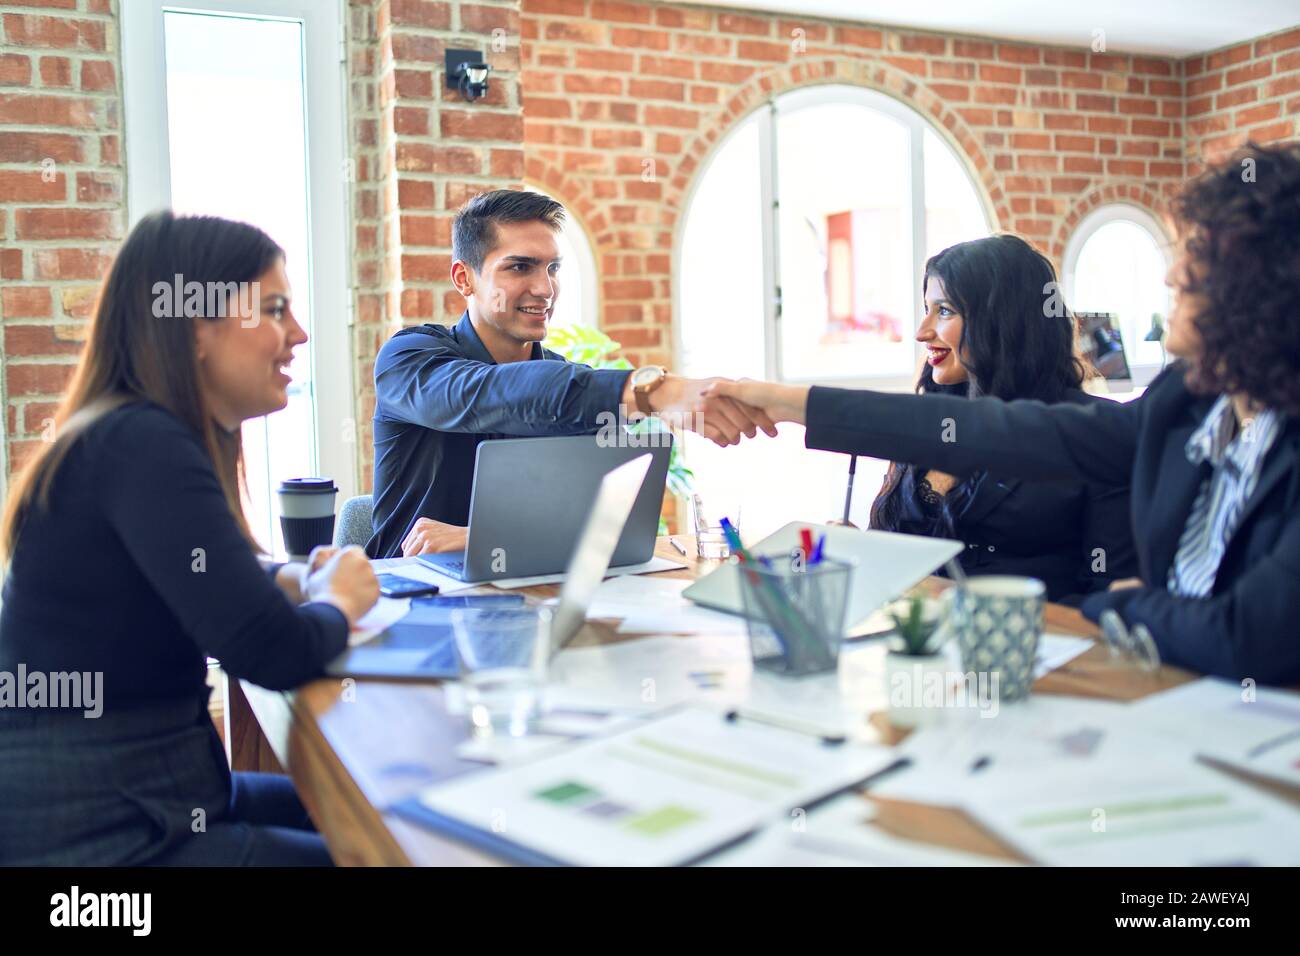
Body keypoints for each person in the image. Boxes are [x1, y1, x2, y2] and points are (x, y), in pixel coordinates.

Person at [708, 141, 1300, 685]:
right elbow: (996, 432)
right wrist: (789, 403)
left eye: (1197, 254)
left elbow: (1247, 637)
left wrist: (1124, 603)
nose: (1172, 274)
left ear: (1264, 284)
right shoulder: (1185, 401)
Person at [0, 212, 380, 865]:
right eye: (274, 309)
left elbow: (200, 577)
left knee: (379, 813)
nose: (299, 333)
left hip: (155, 794)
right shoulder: (141, 444)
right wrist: (341, 602)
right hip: (101, 835)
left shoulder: (126, 434)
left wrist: (286, 578)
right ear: (197, 326)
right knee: (391, 845)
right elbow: (271, 652)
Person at [367, 189, 771, 559]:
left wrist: (485, 536)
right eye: (520, 267)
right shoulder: (409, 360)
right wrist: (654, 392)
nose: (545, 289)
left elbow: (613, 516)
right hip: (408, 598)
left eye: (553, 268)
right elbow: (492, 394)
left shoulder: (568, 380)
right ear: (464, 278)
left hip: (535, 599)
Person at [869, 234, 1136, 603]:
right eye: (925, 309)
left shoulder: (1094, 430)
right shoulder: (929, 421)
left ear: (1002, 321)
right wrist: (857, 553)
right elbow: (893, 549)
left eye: (944, 310)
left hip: (1038, 649)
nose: (922, 331)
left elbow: (1109, 595)